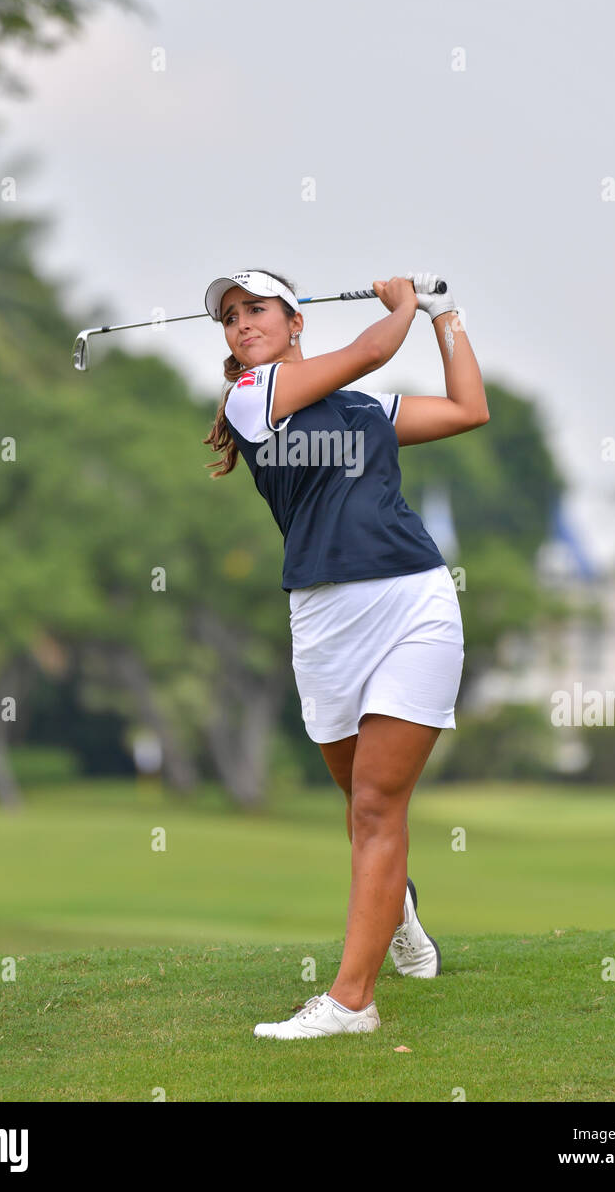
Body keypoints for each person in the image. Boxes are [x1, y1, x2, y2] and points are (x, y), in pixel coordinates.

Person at [203, 269, 490, 1038]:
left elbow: (469, 408)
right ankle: (398, 911)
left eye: (254, 309)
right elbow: (367, 349)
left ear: (296, 321)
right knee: (359, 803)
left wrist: (443, 313)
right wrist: (399, 307)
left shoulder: (363, 411)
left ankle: (351, 1000)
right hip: (324, 619)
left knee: (374, 805)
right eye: (229, 317)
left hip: (413, 604)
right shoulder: (249, 399)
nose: (240, 324)